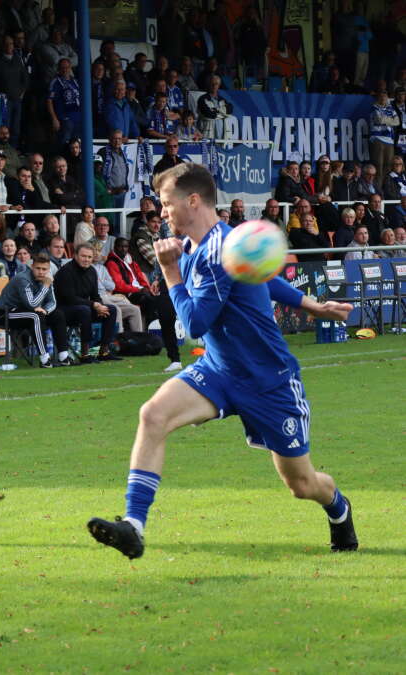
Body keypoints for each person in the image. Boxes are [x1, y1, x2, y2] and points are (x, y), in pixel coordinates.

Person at [87, 162, 358, 560]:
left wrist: (169, 272)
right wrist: (312, 305)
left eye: (166, 203)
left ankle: (338, 508)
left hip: (269, 382)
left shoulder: (218, 253)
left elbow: (196, 321)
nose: (162, 212)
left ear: (193, 201)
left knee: (302, 485)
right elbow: (264, 274)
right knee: (153, 415)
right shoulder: (205, 245)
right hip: (218, 371)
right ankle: (134, 525)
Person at [106, 237, 182, 372]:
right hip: (168, 281)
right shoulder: (169, 238)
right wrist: (157, 278)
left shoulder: (194, 236)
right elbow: (161, 258)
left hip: (189, 280)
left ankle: (213, 354)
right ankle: (175, 359)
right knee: (165, 317)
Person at [0, 253, 72, 368]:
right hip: (4, 314)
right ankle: (45, 359)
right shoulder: (23, 278)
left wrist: (45, 310)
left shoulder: (47, 277)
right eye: (38, 268)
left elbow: (53, 302)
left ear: (48, 269)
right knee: (35, 316)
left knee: (58, 315)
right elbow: (32, 304)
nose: (41, 272)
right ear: (32, 267)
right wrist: (45, 286)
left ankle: (63, 356)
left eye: (44, 269)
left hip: (26, 312)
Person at [53, 243, 120, 364]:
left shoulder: (92, 271)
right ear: (76, 256)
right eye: (83, 256)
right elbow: (70, 298)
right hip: (63, 310)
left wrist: (99, 305)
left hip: (84, 307)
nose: (87, 259)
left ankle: (104, 351)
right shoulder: (66, 271)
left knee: (111, 309)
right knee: (85, 310)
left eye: (89, 257)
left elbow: (95, 295)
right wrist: (93, 305)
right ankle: (85, 354)